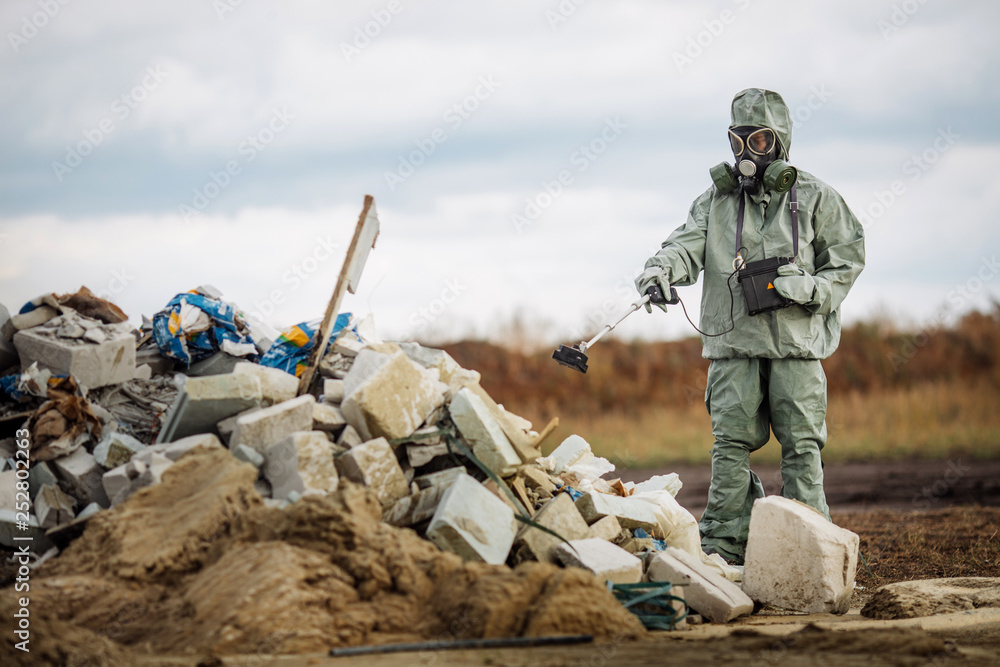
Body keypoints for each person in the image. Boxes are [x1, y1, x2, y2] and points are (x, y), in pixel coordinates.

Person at [634, 88, 865, 564]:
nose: (747, 153)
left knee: (802, 445)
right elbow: (685, 244)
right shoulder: (715, 201)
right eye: (738, 141)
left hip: (797, 344)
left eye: (759, 141)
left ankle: (809, 547)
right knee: (729, 447)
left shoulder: (816, 196)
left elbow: (846, 259)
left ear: (780, 143)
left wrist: (810, 289)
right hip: (733, 344)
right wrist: (660, 271)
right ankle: (725, 547)